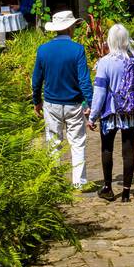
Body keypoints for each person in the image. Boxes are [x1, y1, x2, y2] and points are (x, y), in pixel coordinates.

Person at [31, 10, 92, 189]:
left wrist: (36, 101)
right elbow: (84, 81)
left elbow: (36, 80)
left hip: (51, 103)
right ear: (70, 28)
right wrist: (90, 103)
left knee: (53, 143)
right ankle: (79, 183)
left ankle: (55, 182)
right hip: (74, 103)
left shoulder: (43, 50)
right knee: (77, 143)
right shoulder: (77, 50)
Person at [88, 23, 134, 202]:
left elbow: (99, 92)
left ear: (110, 40)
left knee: (107, 148)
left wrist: (93, 116)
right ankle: (127, 193)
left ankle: (108, 188)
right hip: (131, 111)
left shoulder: (105, 62)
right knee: (128, 150)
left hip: (111, 111)